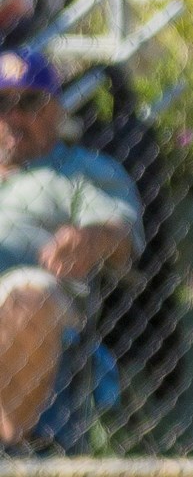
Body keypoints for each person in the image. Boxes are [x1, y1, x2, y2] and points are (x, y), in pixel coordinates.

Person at [0, 47, 142, 447]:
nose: (13, 116)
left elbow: (122, 238)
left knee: (30, 292)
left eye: (28, 102)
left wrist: (90, 239)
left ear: (56, 110)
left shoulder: (82, 172)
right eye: (1, 102)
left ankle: (10, 451)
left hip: (31, 307)